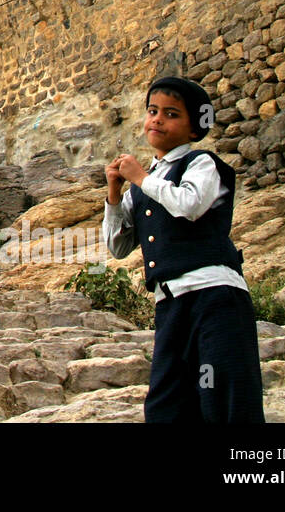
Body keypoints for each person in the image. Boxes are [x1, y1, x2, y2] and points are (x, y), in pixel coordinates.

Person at [102, 75, 265, 423]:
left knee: (224, 398)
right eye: (152, 111)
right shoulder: (142, 186)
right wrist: (115, 196)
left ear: (194, 128)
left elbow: (190, 204)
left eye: (172, 114)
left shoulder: (201, 164)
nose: (157, 119)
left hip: (214, 299)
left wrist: (142, 178)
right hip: (170, 306)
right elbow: (117, 247)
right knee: (167, 405)